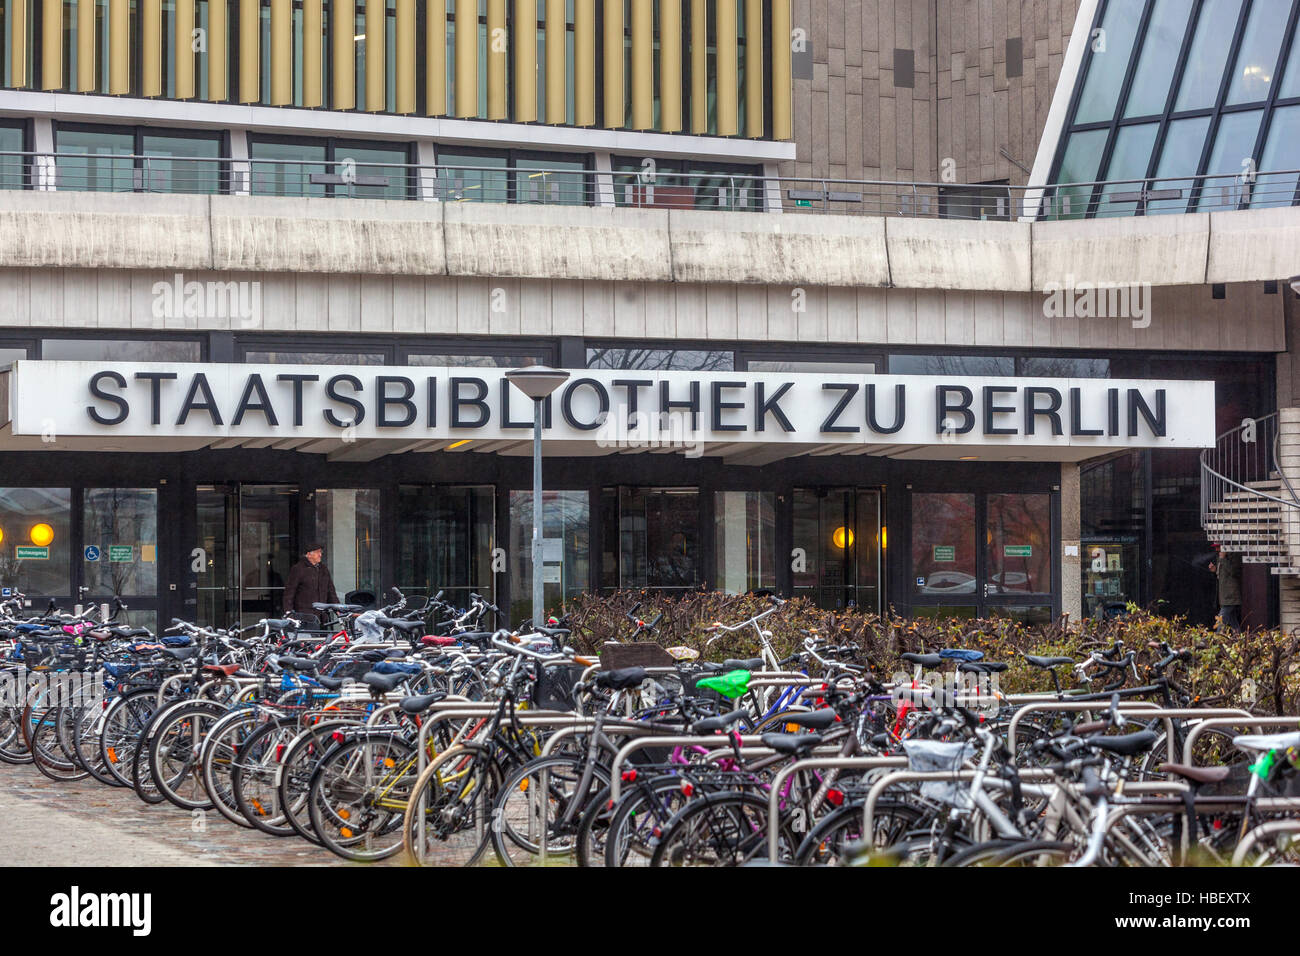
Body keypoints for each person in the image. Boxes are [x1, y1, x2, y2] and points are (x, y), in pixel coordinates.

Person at [283, 542, 339, 625]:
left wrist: (338, 610)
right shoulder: (298, 569)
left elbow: (331, 592)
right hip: (305, 616)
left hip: (322, 616)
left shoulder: (323, 569)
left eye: (321, 552)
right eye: (317, 552)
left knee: (324, 637)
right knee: (308, 637)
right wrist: (289, 613)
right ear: (309, 554)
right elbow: (289, 593)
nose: (320, 555)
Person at [1207, 542, 1242, 630]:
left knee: (1221, 620)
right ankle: (1240, 638)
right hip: (1223, 596)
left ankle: (1217, 639)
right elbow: (1222, 576)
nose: (1216, 550)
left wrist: (1223, 559)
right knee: (1233, 621)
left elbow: (1234, 572)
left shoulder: (1233, 556)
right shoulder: (1219, 557)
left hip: (1230, 595)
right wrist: (1215, 570)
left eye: (1218, 547)